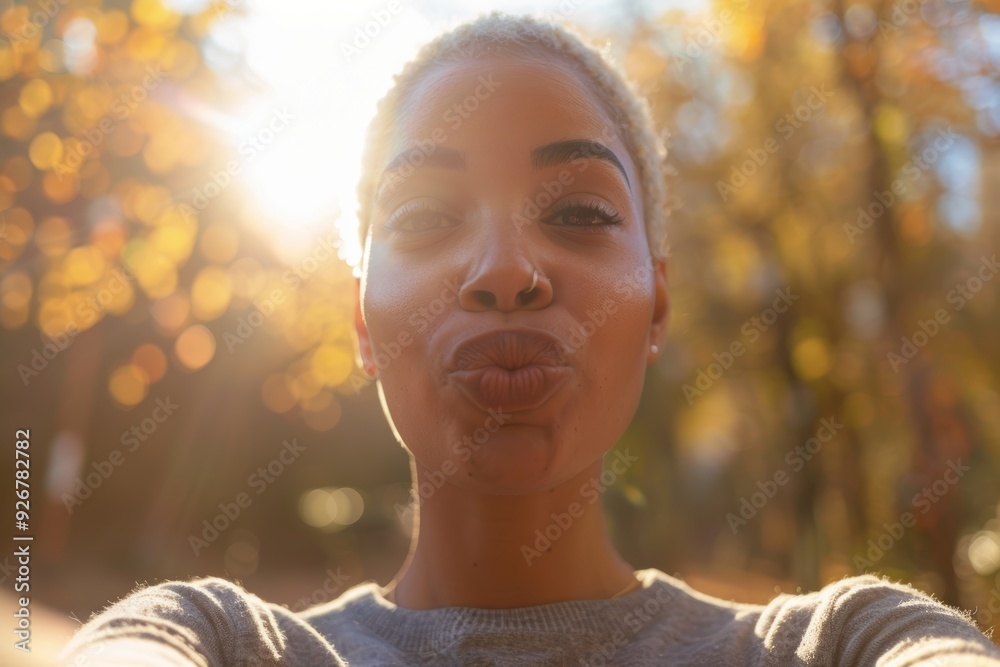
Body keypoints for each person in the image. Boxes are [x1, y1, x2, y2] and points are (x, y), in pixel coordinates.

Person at [59, 11, 1000, 667]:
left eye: (582, 212)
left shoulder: (838, 644)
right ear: (362, 321)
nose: (506, 269)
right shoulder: (215, 640)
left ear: (659, 309)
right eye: (427, 215)